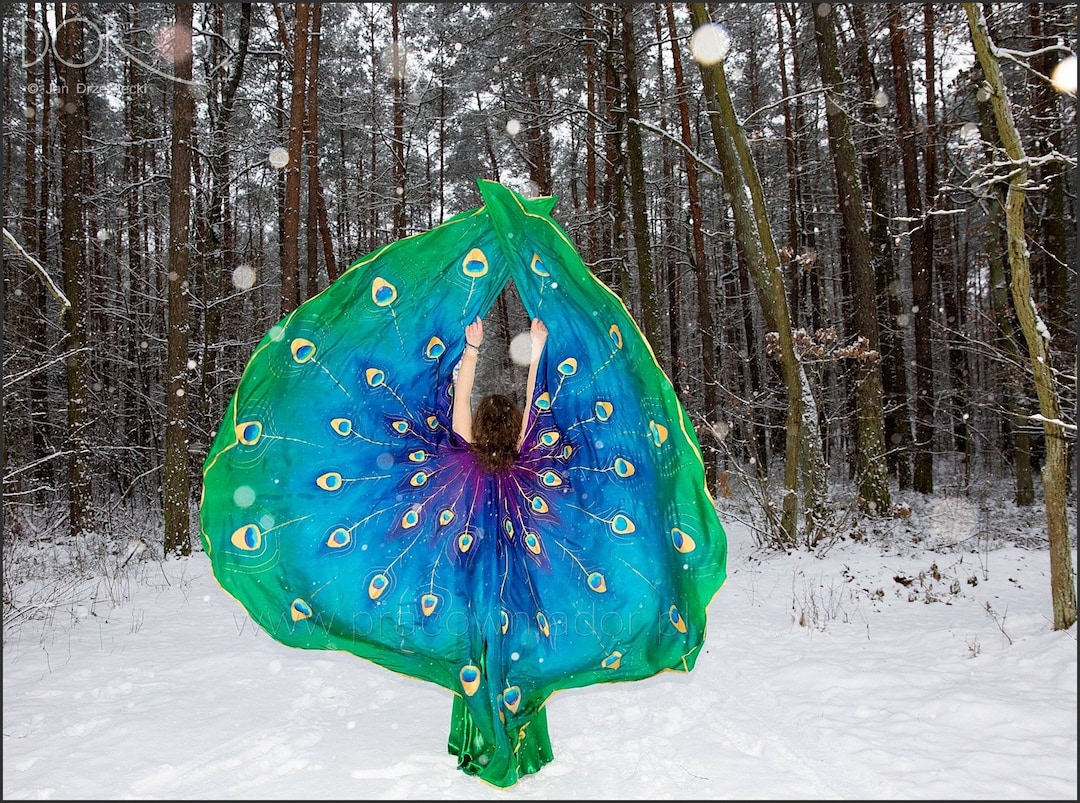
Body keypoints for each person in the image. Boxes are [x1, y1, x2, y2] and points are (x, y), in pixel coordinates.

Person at [452, 316, 548, 472]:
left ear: (479, 423)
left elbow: (461, 400)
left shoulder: (466, 455)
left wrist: (472, 348)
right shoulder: (524, 454)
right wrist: (538, 344)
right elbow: (532, 400)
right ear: (514, 422)